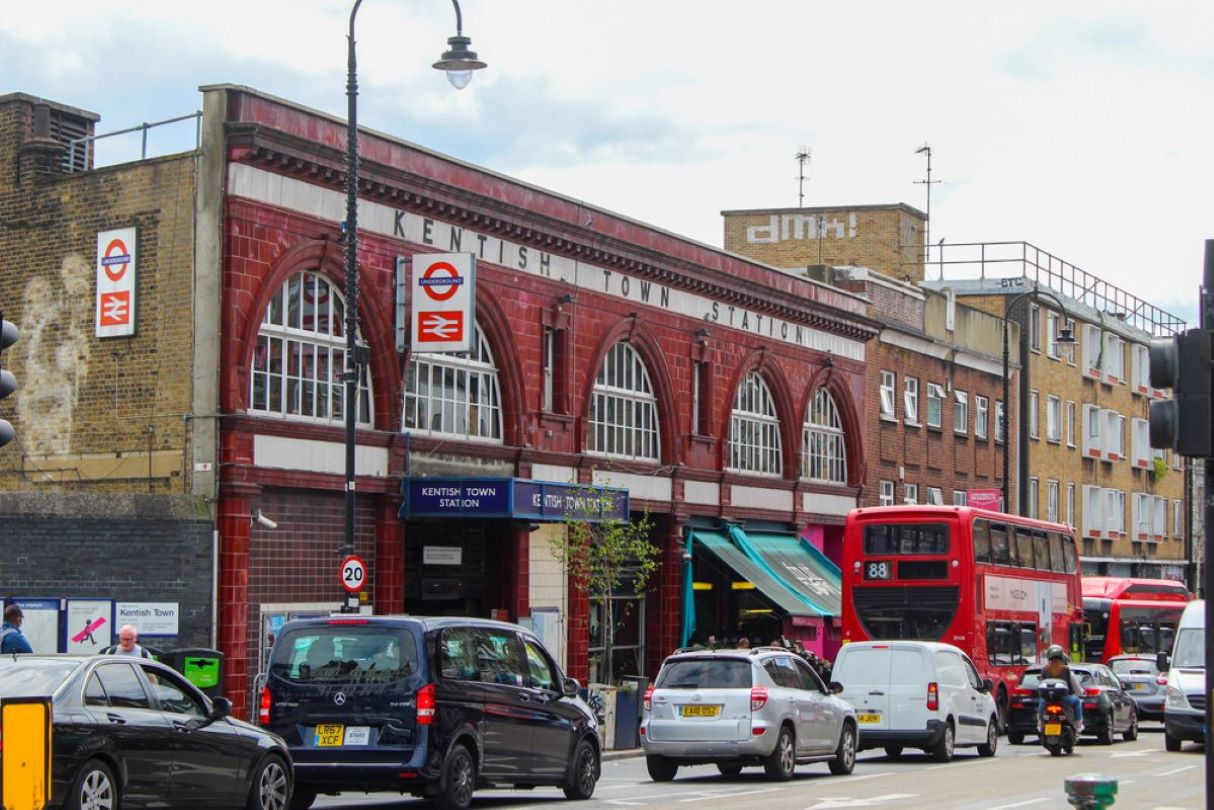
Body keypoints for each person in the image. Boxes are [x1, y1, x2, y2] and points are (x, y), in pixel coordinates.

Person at [1038, 644, 1084, 732]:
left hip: (1048, 699)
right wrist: (1071, 693)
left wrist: (1044, 696)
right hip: (1063, 698)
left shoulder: (1044, 669)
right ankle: (1078, 724)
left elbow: (1042, 685)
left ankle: (1040, 723)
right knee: (1077, 701)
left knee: (1041, 703)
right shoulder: (1065, 669)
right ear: (1061, 657)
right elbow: (1069, 686)